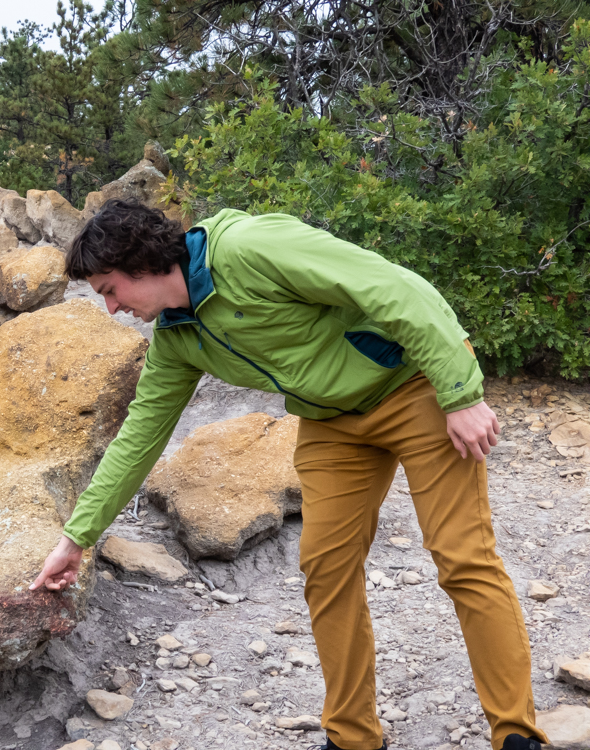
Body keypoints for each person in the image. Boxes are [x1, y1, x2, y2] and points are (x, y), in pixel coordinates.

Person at [28, 199, 547, 750]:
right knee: (325, 566)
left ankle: (516, 732)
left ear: (140, 263)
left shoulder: (251, 249)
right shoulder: (177, 338)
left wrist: (461, 393)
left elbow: (393, 288)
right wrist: (77, 538)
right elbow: (139, 438)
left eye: (110, 290)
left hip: (414, 386)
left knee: (461, 555)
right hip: (331, 420)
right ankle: (352, 738)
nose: (111, 308)